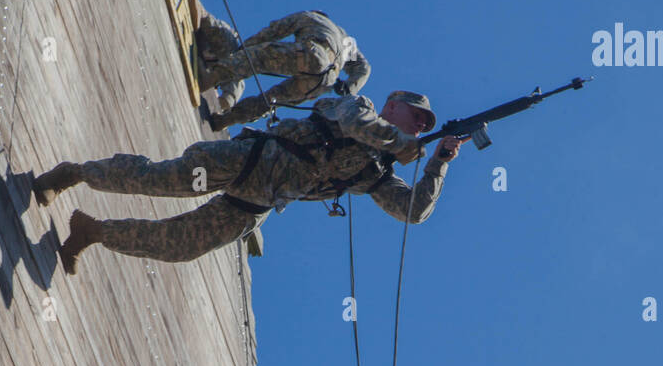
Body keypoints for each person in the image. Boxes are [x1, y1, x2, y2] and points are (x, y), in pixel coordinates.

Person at [32, 90, 465, 275]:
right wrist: (398, 142)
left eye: (424, 124)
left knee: (181, 244)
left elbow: (413, 212)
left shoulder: (377, 172)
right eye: (416, 117)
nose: (419, 125)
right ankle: (76, 173)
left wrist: (438, 164)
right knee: (157, 179)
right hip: (246, 161)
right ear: (394, 106)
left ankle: (92, 233)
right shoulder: (359, 106)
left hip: (257, 202)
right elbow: (354, 122)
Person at [192, 8, 372, 131]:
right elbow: (363, 67)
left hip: (313, 56)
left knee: (259, 58)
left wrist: (240, 53)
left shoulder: (310, 17)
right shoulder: (346, 42)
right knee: (271, 100)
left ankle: (209, 78)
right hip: (323, 83)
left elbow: (273, 32)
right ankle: (225, 120)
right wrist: (349, 87)